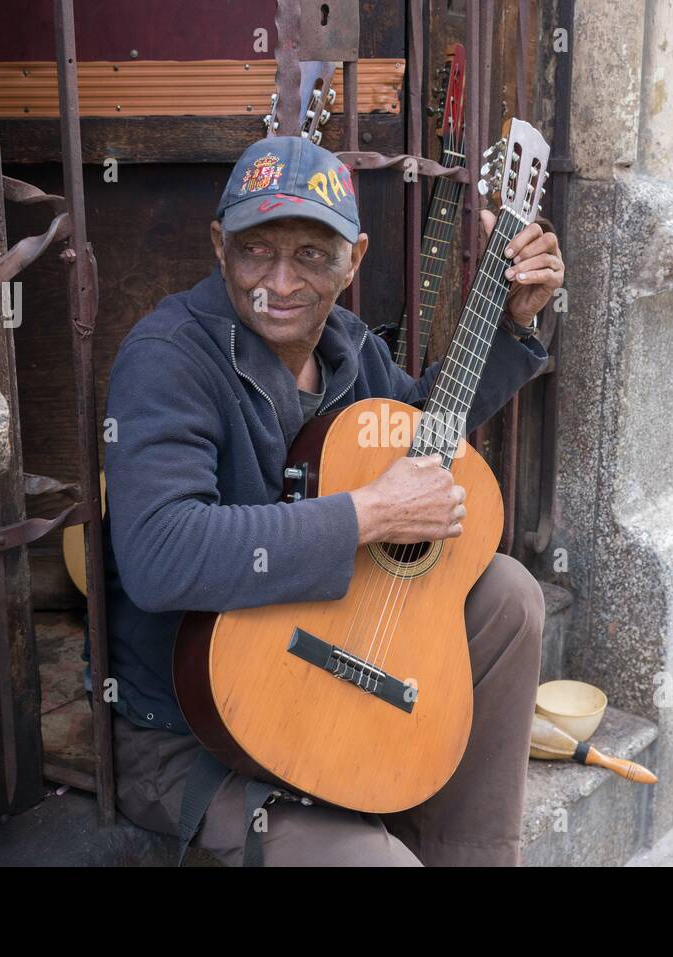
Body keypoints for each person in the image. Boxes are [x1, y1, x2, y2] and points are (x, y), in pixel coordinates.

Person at [95, 134, 565, 865]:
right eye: (256, 250)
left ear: (356, 260)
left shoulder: (348, 348)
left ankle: (463, 847)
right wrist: (369, 513)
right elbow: (160, 553)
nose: (279, 282)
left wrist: (512, 324)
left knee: (509, 594)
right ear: (219, 245)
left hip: (316, 663)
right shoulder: (166, 360)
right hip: (197, 732)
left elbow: (424, 429)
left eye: (312, 255)